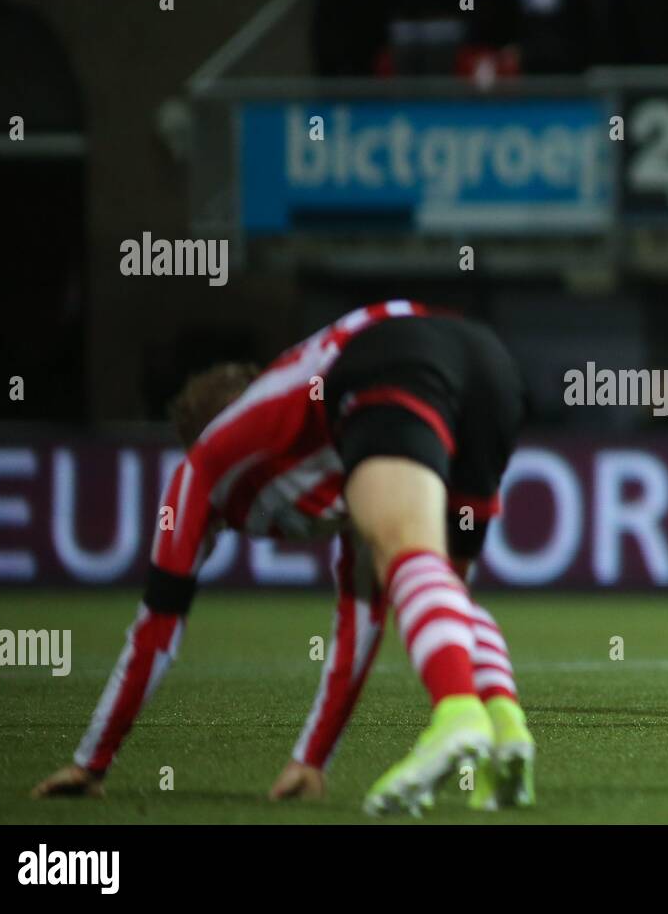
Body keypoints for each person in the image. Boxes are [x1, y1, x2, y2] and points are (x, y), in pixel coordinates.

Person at [31, 300, 535, 815]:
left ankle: (456, 714)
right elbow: (360, 614)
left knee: (408, 556)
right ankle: (507, 729)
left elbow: (154, 631)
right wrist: (312, 759)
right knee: (443, 587)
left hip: (394, 358)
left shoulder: (202, 467)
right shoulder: (317, 429)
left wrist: (93, 762)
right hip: (485, 363)